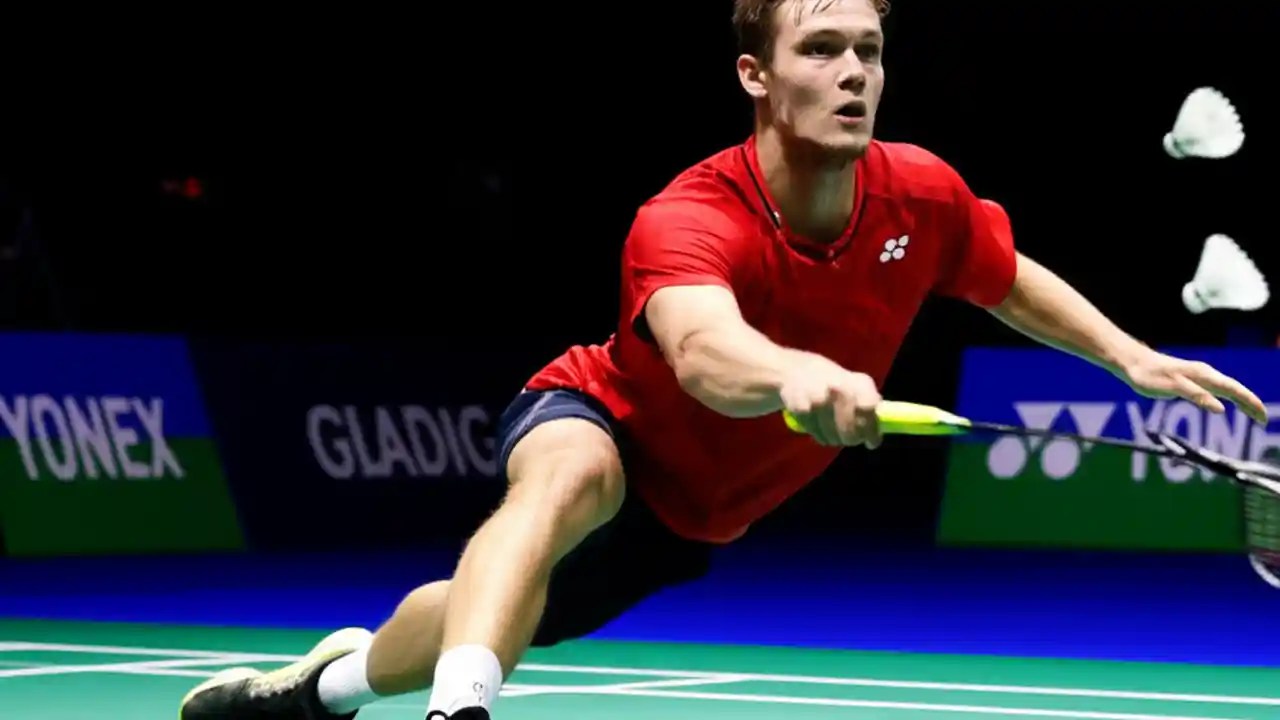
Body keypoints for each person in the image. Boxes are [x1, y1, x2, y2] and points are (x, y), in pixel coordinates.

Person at [178, 0, 1269, 718]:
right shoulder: (689, 215)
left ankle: (319, 689)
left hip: (694, 515)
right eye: (821, 49)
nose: (853, 73)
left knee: (484, 614)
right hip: (601, 414)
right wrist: (795, 378)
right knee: (573, 480)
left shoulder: (917, 192)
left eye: (869, 52)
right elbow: (703, 350)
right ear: (755, 73)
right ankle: (460, 710)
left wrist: (1129, 358)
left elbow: (997, 271)